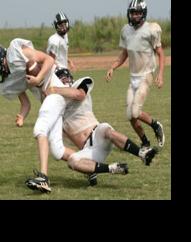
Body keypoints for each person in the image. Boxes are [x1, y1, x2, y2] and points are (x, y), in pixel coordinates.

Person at [25, 68, 158, 193]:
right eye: (61, 80)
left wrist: (54, 89)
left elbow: (79, 94)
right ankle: (111, 168)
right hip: (89, 150)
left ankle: (141, 153)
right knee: (72, 161)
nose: (65, 81)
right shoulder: (58, 105)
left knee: (106, 129)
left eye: (66, 79)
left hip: (97, 134)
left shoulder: (79, 83)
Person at [106, 0, 165, 149]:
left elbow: (160, 53)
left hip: (146, 75)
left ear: (143, 13)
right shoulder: (126, 30)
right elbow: (124, 54)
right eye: (133, 13)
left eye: (138, 13)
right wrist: (113, 67)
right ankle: (145, 142)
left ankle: (156, 125)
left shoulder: (151, 29)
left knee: (135, 111)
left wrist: (160, 74)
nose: (135, 16)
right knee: (130, 116)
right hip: (133, 77)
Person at [0, 38, 55, 127]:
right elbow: (26, 104)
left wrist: (38, 78)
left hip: (55, 78)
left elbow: (49, 60)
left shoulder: (17, 54)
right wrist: (21, 117)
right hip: (46, 96)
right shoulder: (10, 79)